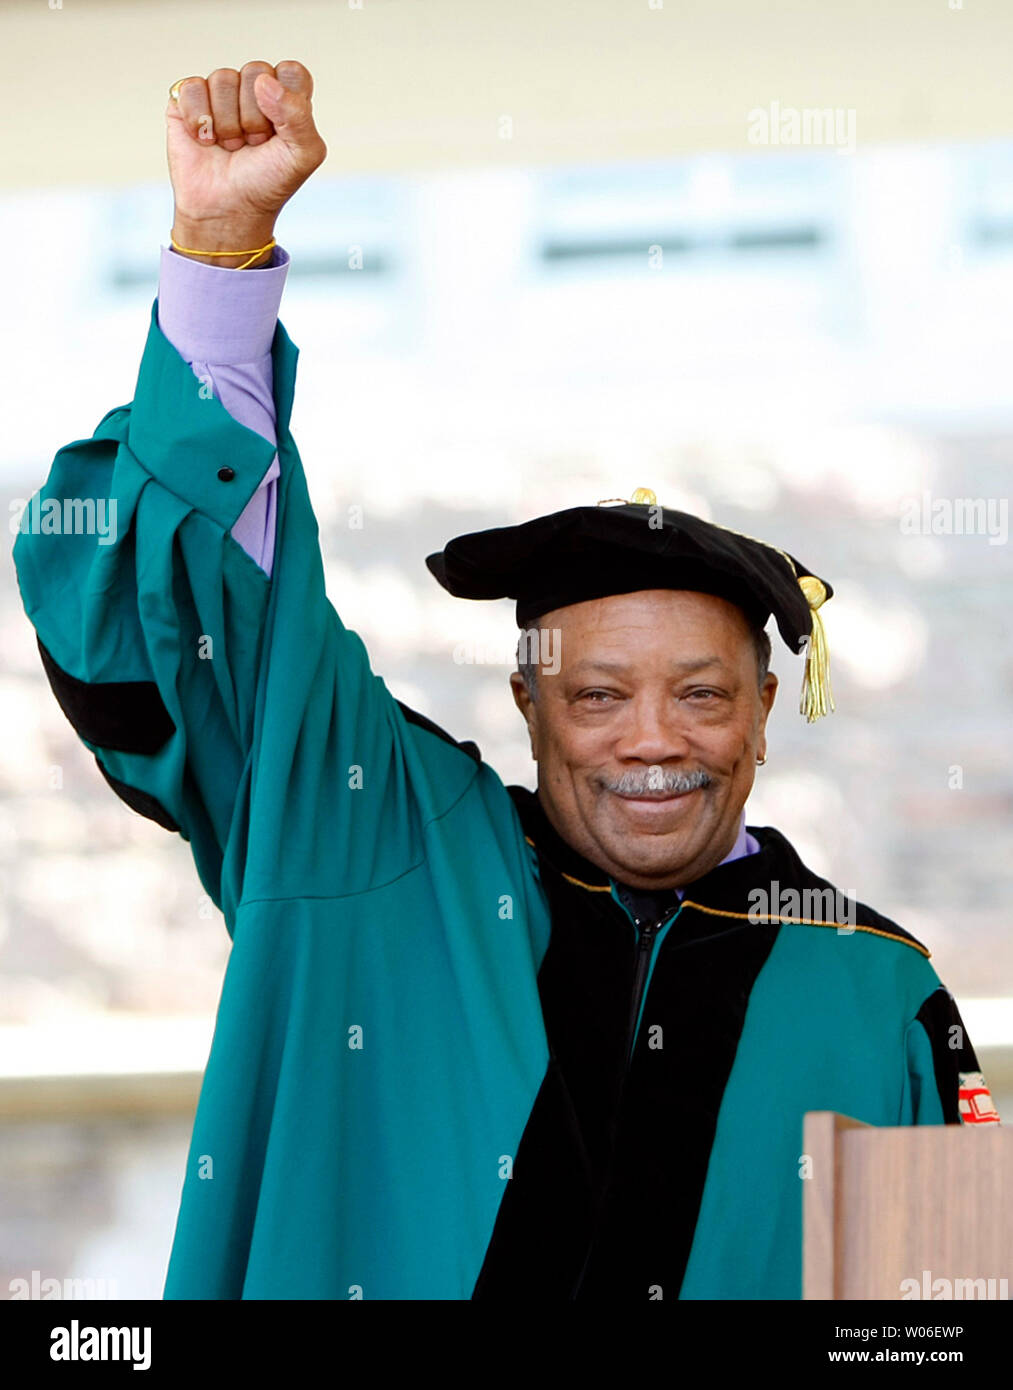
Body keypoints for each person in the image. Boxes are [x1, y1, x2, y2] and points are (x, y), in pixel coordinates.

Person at [12, 61, 999, 1302]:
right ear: (528, 705)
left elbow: (947, 1313)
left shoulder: (877, 989)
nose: (652, 739)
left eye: (700, 694)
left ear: (760, 715)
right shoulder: (383, 848)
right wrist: (219, 249)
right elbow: (230, 627)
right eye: (595, 697)